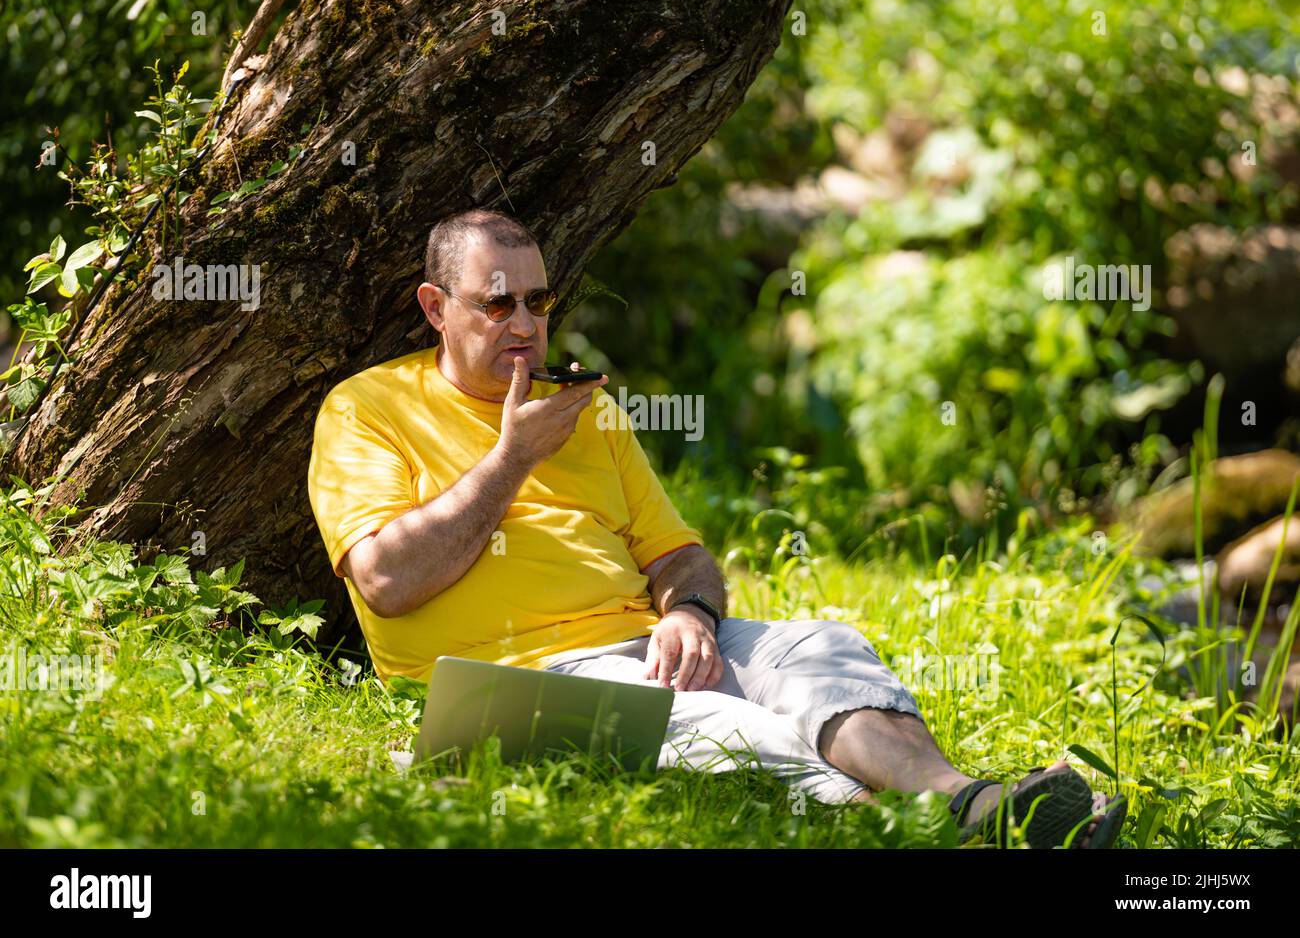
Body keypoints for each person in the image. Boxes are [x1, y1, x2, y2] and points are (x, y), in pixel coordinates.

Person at [306, 207, 1127, 847]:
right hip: (503, 687)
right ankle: (910, 827)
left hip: (645, 650)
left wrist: (690, 613)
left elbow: (680, 553)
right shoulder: (368, 409)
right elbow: (386, 580)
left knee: (822, 649)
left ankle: (969, 801)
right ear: (436, 308)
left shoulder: (584, 412)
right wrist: (511, 458)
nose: (524, 322)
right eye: (497, 302)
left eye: (538, 299)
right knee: (744, 732)